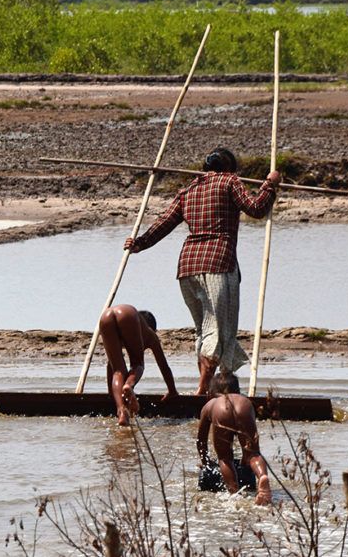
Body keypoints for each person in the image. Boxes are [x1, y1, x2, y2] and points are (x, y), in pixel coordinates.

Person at [124, 147, 280, 395]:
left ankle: (210, 387)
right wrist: (270, 185)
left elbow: (163, 223)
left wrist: (139, 243)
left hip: (188, 267)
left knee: (203, 330)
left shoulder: (188, 191)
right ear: (229, 168)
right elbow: (257, 209)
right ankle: (202, 389)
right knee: (217, 330)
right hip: (218, 263)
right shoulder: (229, 182)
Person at [197, 372, 272, 504]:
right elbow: (247, 441)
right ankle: (262, 476)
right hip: (244, 408)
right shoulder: (244, 400)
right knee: (253, 453)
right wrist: (244, 462)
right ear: (237, 390)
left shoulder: (211, 404)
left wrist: (206, 462)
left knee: (225, 458)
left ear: (210, 393)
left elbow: (201, 440)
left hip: (221, 410)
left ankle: (235, 494)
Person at [99, 304, 178, 426]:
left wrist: (113, 395)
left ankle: (121, 411)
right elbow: (164, 366)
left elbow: (111, 367)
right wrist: (172, 391)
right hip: (127, 312)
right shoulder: (149, 333)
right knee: (138, 364)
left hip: (105, 316)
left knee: (118, 370)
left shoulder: (132, 331)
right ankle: (128, 386)